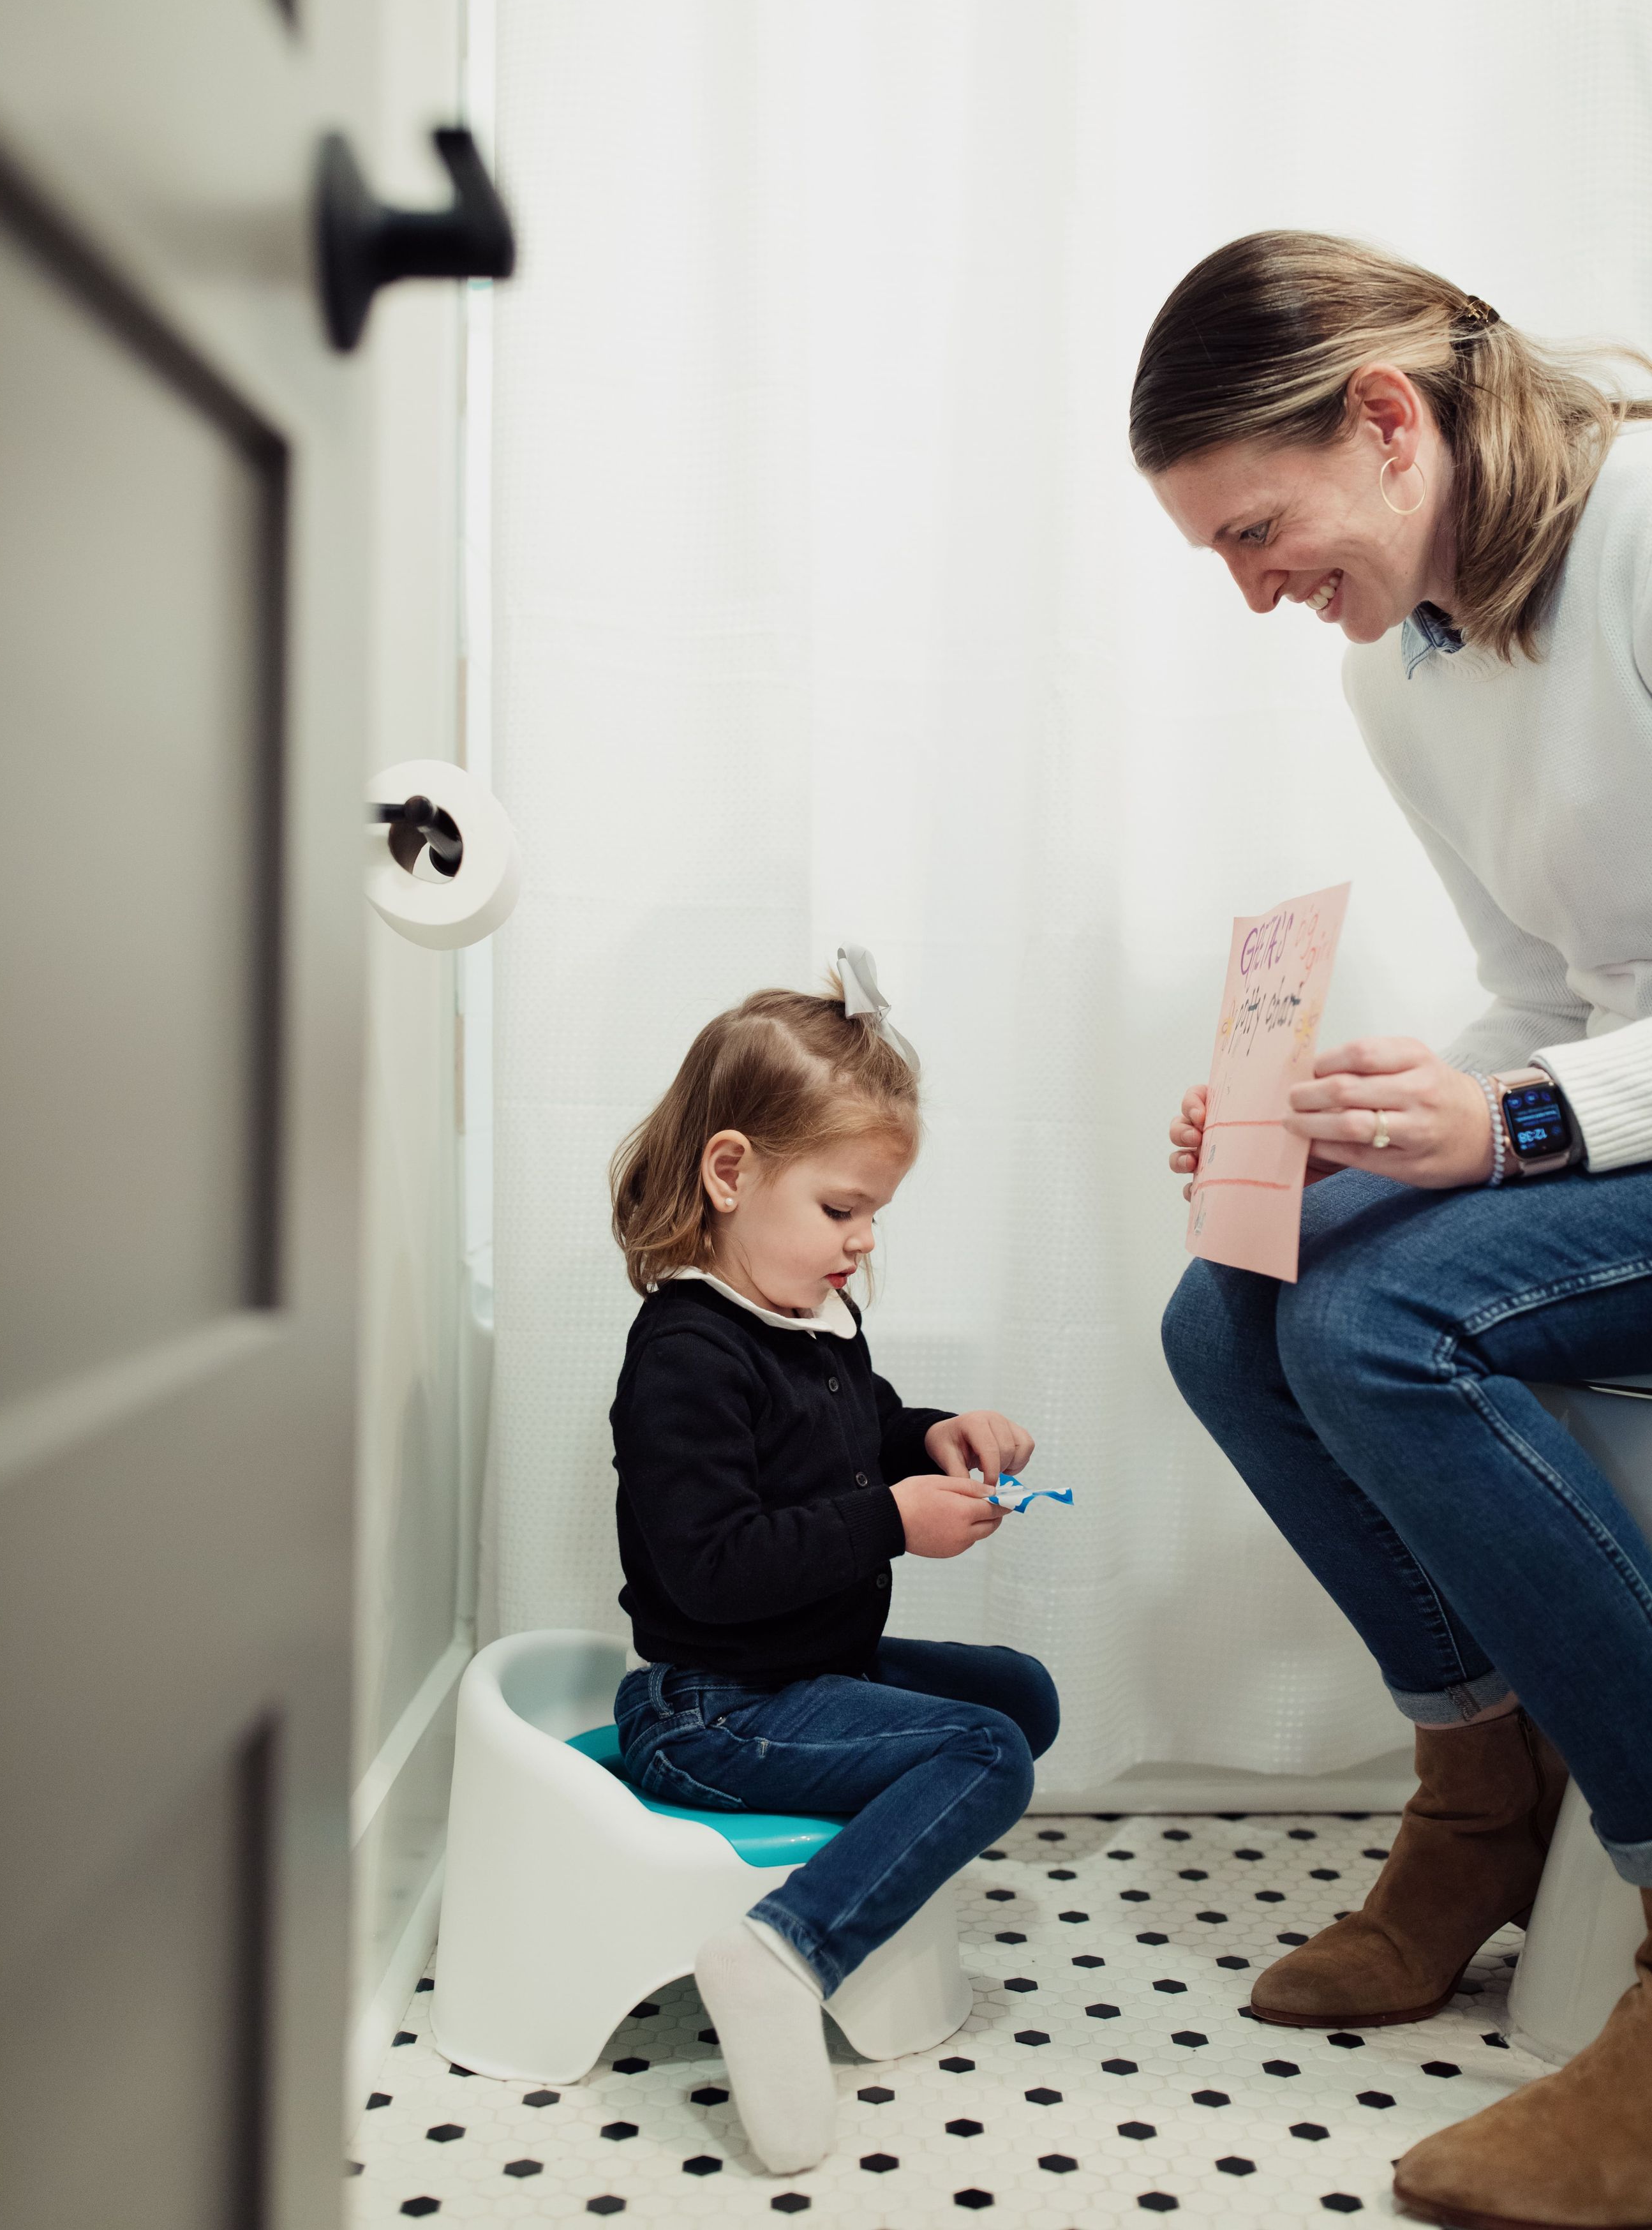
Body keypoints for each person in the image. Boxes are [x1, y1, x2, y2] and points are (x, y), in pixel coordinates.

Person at [1135, 231, 1652, 2230]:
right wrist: (1366, 1114)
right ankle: (1479, 1796)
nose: (1258, 590)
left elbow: (1560, 1073)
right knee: (1235, 1302)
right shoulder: (1401, 668)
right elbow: (1556, 987)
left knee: (1381, 1331)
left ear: (1384, 419)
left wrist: (1512, 1125)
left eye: (1256, 531)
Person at [606, 955, 1059, 2176]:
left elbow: (862, 1431)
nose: (860, 1244)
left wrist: (936, 1437)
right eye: (842, 1209)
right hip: (710, 1708)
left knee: (1021, 1693)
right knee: (986, 1750)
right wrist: (892, 1523)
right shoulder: (686, 1354)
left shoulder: (802, 1314)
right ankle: (783, 1951)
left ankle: (859, 1869)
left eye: (874, 1217)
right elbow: (712, 1571)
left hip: (803, 1668)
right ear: (733, 1171)